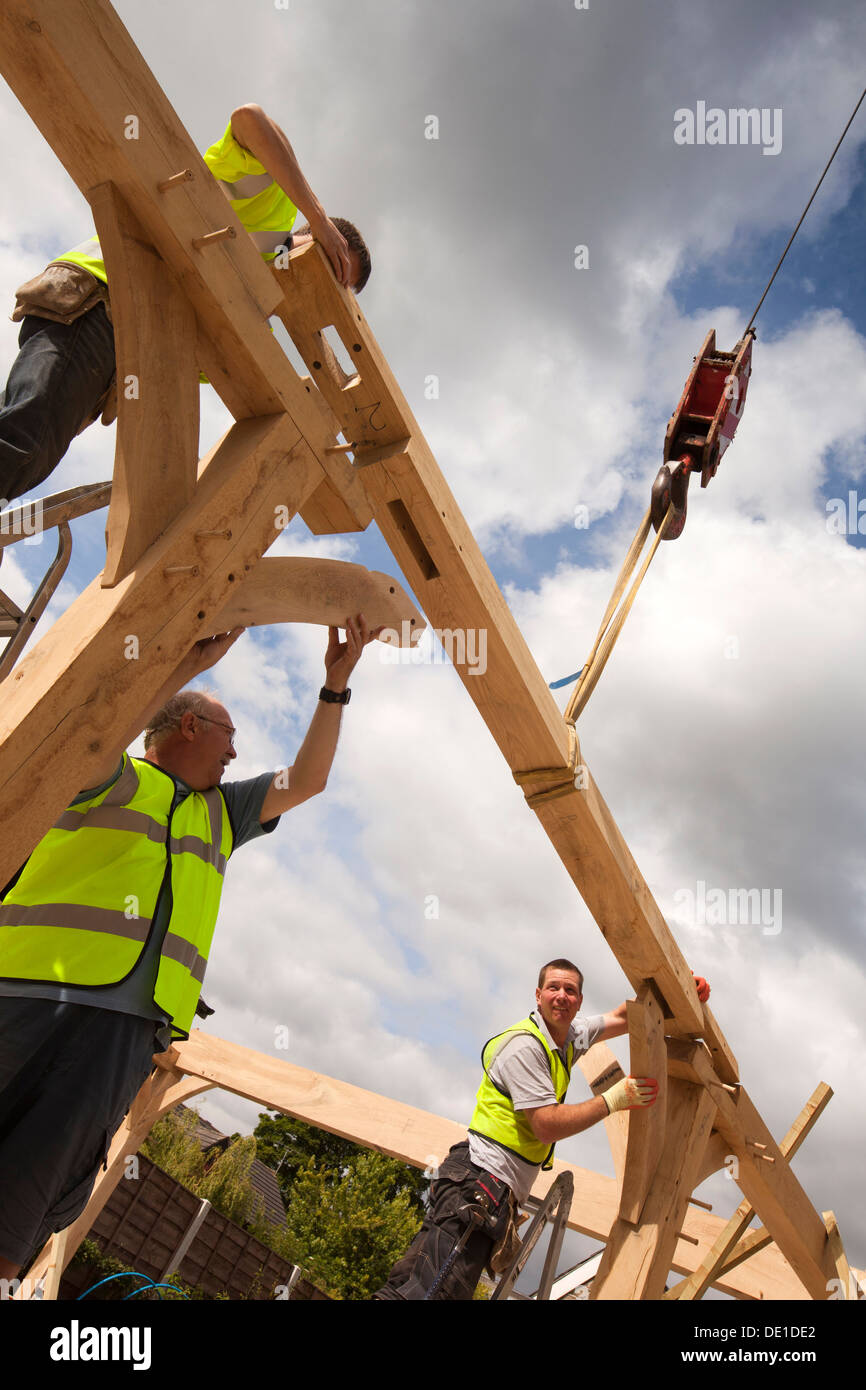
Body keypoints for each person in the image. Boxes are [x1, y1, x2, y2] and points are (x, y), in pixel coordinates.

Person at [0, 614, 377, 1284]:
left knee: (22, 1207)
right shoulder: (110, 776)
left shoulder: (222, 815)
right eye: (230, 735)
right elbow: (101, 727)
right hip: (26, 996)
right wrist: (182, 667)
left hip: (121, 1033)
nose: (237, 753)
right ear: (189, 727)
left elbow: (309, 778)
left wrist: (336, 685)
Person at [0, 103, 372, 504]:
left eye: (337, 288)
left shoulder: (252, 312)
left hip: (113, 355)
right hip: (100, 302)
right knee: (28, 443)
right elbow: (251, 120)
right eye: (332, 261)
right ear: (322, 238)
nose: (324, 282)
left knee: (32, 452)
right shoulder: (272, 206)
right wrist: (317, 216)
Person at [375, 957, 711, 1300]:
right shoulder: (525, 1046)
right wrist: (613, 1100)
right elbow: (546, 1126)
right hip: (477, 1181)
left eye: (570, 990)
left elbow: (626, 1017)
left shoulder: (572, 1037)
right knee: (428, 1294)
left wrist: (680, 995)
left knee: (417, 1289)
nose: (561, 996)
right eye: (553, 988)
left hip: (488, 1189)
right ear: (538, 996)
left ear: (579, 1001)